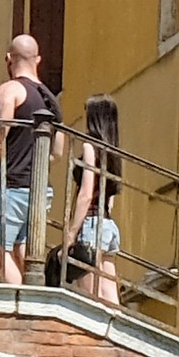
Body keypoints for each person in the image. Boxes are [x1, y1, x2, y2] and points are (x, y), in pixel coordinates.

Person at [0, 29, 58, 282]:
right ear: (38, 60)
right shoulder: (51, 100)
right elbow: (56, 152)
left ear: (8, 58)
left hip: (9, 186)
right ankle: (37, 300)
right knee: (24, 249)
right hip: (38, 188)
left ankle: (22, 304)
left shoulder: (9, 90)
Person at [60, 98, 130, 302]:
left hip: (91, 223)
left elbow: (86, 192)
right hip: (108, 225)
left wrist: (72, 232)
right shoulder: (113, 151)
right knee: (109, 293)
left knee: (92, 295)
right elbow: (110, 198)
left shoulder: (90, 147)